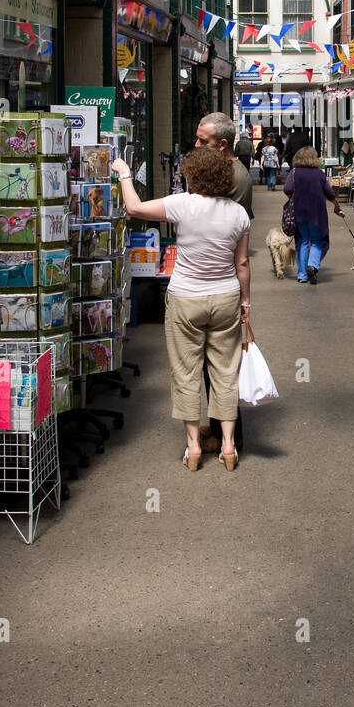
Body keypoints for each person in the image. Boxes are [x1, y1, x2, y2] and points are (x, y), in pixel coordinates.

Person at [112, 146, 249, 471]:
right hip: (226, 296)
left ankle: (193, 448)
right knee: (226, 373)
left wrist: (124, 173)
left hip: (185, 298)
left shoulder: (182, 205)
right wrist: (245, 301)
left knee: (186, 371)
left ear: (192, 174)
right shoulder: (238, 213)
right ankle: (229, 447)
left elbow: (133, 208)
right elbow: (241, 262)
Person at [194, 112, 251, 450]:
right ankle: (218, 428)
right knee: (212, 363)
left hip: (220, 281)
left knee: (219, 365)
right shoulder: (226, 171)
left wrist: (245, 301)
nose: (197, 144)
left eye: (203, 141)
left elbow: (227, 235)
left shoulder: (230, 177)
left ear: (223, 144)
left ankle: (229, 436)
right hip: (217, 278)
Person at [283, 146, 341, 284]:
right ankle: (313, 265)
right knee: (317, 240)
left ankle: (302, 275)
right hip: (317, 213)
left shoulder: (294, 172)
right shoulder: (319, 173)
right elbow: (329, 192)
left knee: (302, 241)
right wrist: (336, 205)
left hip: (299, 211)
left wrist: (293, 197)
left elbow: (287, 189)